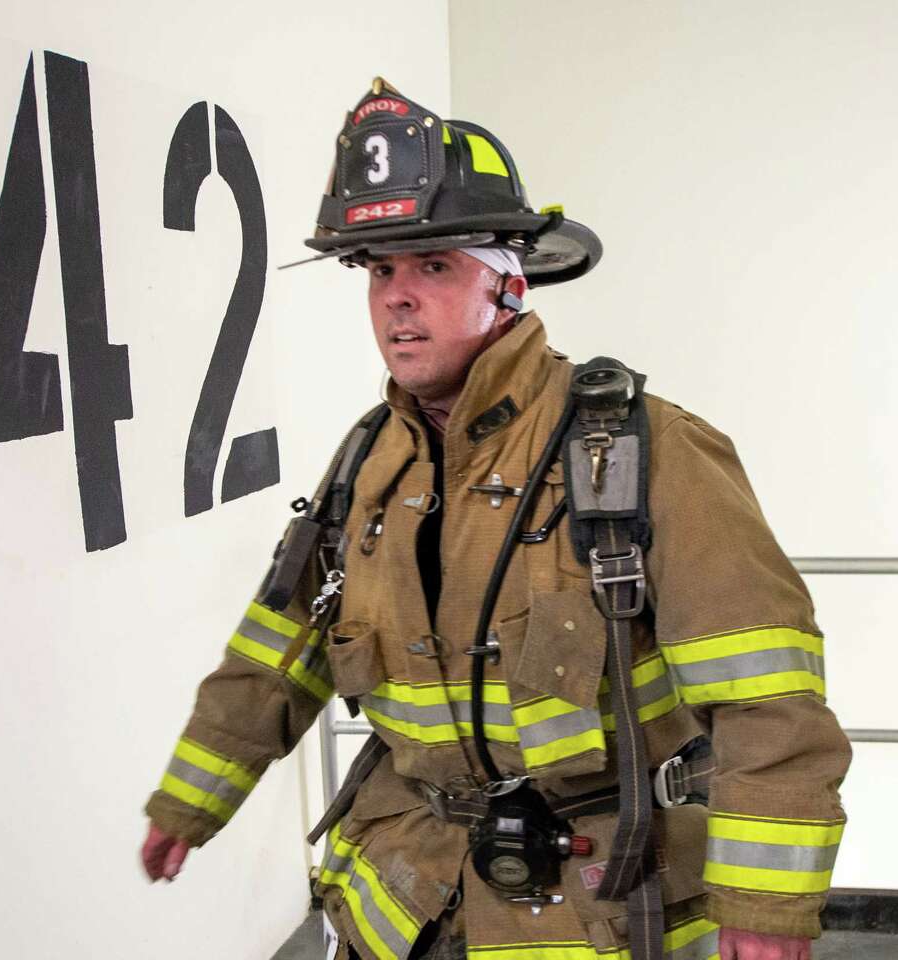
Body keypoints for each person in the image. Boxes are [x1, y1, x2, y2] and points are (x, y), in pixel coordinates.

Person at [140, 78, 851, 960]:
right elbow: (278, 651)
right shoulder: (367, 462)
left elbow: (766, 699)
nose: (397, 297)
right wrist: (189, 801)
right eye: (381, 270)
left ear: (510, 285)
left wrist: (765, 905)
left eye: (434, 266)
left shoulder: (644, 451)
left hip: (600, 910)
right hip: (403, 901)